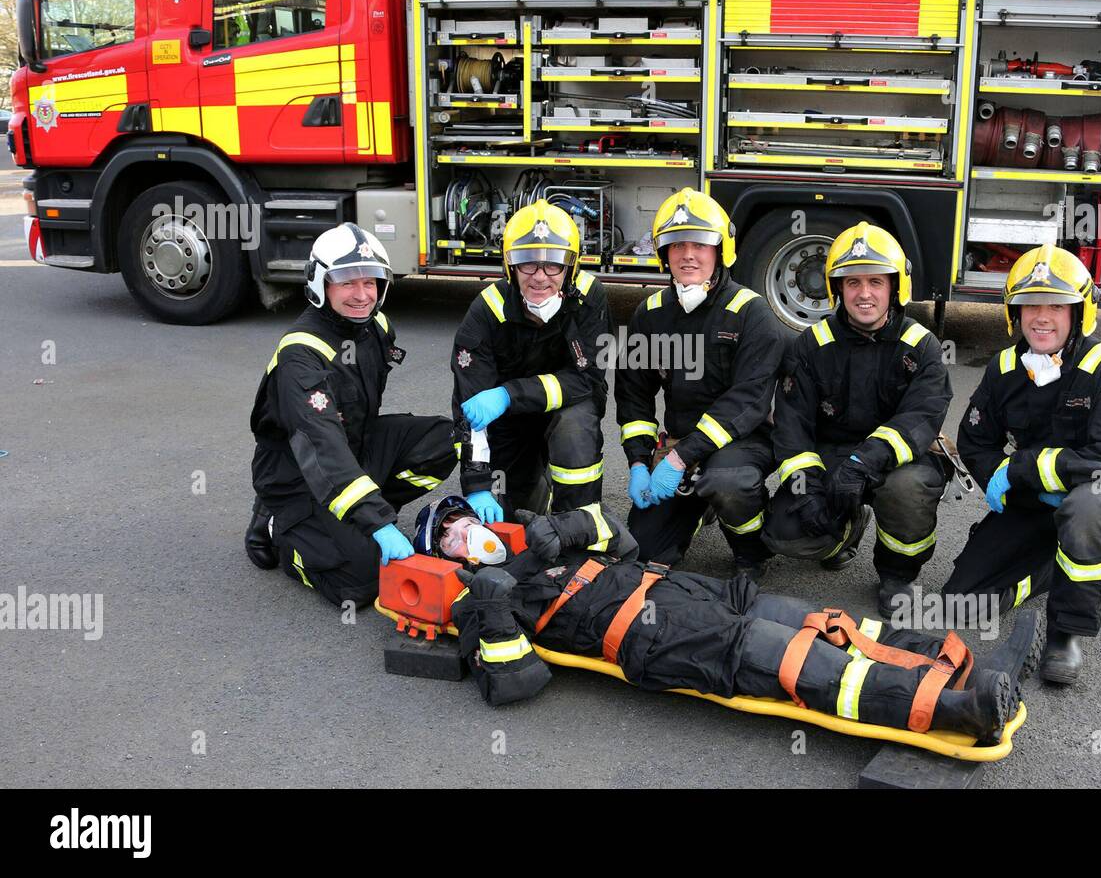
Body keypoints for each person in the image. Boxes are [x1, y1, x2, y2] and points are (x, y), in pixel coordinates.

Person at [413, 496, 1044, 741]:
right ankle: (958, 710)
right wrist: (493, 604)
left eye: (463, 521)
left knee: (822, 621)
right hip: (653, 635)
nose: (463, 535)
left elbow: (631, 547)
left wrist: (574, 524)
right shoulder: (483, 599)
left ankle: (947, 659)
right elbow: (515, 683)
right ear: (442, 560)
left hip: (684, 590)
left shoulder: (532, 541)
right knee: (788, 656)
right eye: (447, 538)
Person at [944, 245, 1101, 684]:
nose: (1041, 317)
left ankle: (1066, 633)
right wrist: (1003, 477)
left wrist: (1020, 468)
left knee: (1087, 507)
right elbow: (975, 441)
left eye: (1055, 305)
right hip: (1032, 503)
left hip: (1094, 498)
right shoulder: (1004, 367)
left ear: (1079, 311)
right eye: (1030, 304)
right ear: (1014, 312)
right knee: (960, 601)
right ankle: (1049, 568)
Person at [245, 223, 457, 605]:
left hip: (353, 448)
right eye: (347, 283)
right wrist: (379, 525)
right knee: (361, 582)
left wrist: (374, 513)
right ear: (320, 284)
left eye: (370, 282)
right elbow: (322, 448)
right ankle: (277, 527)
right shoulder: (301, 355)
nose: (362, 295)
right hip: (299, 475)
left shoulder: (375, 326)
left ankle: (357, 515)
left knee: (445, 441)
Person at [764, 223, 953, 615]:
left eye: (875, 282)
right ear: (837, 289)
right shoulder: (812, 345)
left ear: (894, 287)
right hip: (833, 455)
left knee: (908, 490)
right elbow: (792, 424)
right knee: (786, 532)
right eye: (852, 283)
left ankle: (897, 574)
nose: (864, 294)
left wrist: (863, 463)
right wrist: (809, 487)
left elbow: (921, 417)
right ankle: (846, 531)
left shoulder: (922, 346)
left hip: (900, 461)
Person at [614, 188, 785, 577]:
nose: (687, 254)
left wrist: (678, 458)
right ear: (664, 255)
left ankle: (749, 551)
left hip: (744, 441)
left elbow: (748, 402)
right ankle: (699, 501)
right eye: (676, 245)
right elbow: (634, 395)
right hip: (682, 446)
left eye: (699, 244)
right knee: (645, 550)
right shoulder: (651, 314)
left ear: (720, 250)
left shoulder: (750, 313)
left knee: (727, 480)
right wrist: (640, 461)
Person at [450, 200, 611, 524]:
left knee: (574, 427)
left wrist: (509, 393)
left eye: (553, 265)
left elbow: (589, 380)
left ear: (571, 267)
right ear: (510, 266)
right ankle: (540, 487)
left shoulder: (589, 296)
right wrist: (478, 483)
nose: (540, 277)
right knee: (512, 520)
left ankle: (578, 520)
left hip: (566, 407)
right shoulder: (488, 310)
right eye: (527, 264)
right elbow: (469, 404)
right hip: (510, 423)